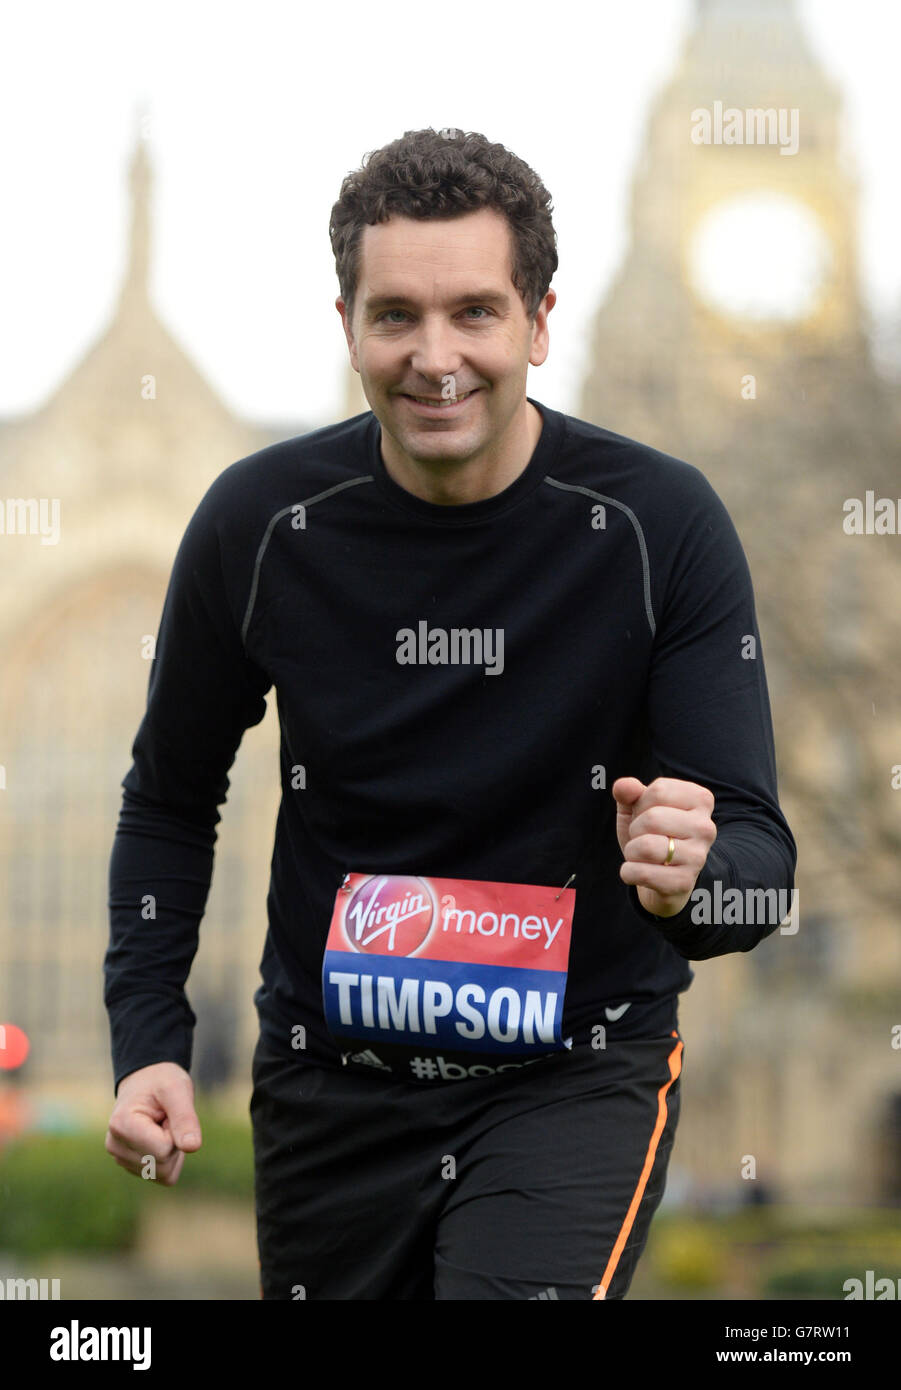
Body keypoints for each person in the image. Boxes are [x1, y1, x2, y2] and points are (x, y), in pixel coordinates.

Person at [103, 127, 796, 1300]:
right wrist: (151, 1040)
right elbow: (170, 798)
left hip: (571, 1073)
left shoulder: (659, 526)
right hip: (332, 1082)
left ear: (537, 320)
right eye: (395, 317)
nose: (435, 358)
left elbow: (762, 876)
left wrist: (692, 879)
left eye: (475, 312)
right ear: (347, 328)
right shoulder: (258, 525)